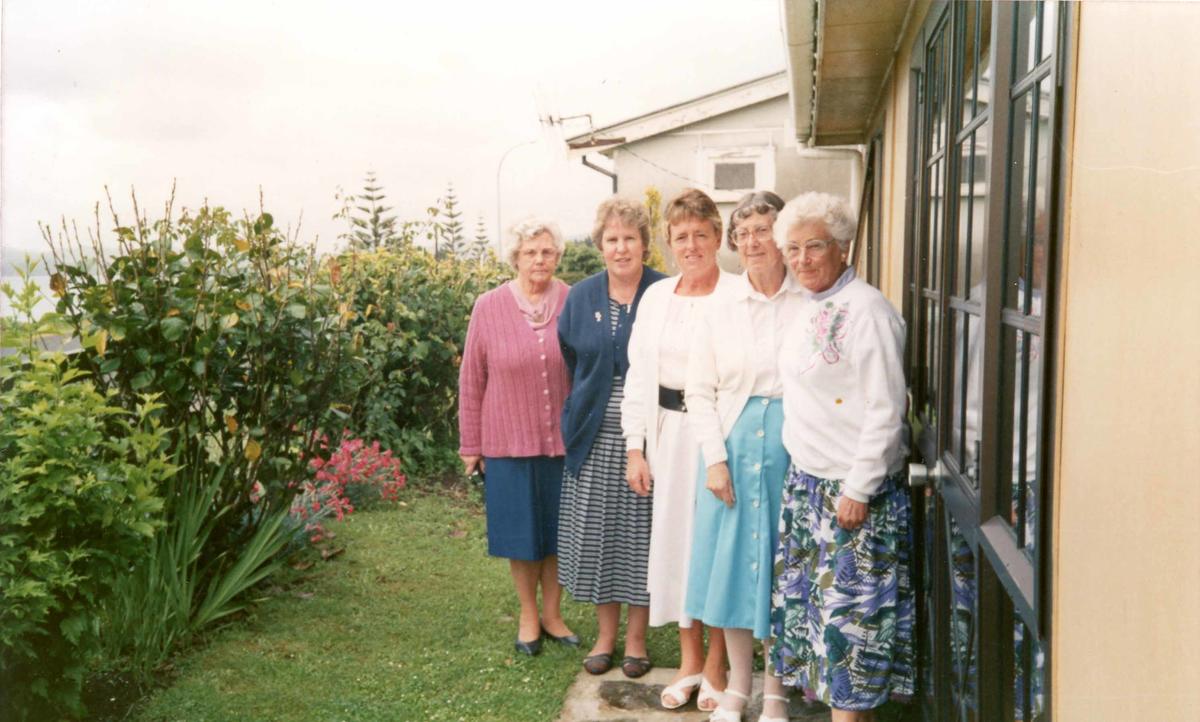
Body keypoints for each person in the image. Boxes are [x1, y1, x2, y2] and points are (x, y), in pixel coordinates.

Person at [769, 192, 914, 721]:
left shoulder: (867, 310)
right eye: (793, 249)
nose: (802, 259)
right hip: (809, 487)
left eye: (814, 246)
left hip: (853, 496)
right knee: (825, 638)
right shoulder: (808, 306)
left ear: (843, 246)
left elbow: (886, 408)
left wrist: (859, 487)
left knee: (850, 638)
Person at [683, 191, 800, 722]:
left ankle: (776, 691)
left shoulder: (807, 300)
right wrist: (715, 459)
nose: (753, 242)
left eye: (763, 230)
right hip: (731, 445)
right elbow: (698, 389)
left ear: (782, 235)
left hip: (792, 448)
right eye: (744, 233)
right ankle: (737, 687)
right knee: (731, 569)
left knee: (781, 567)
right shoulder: (720, 307)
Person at [622, 188, 738, 711]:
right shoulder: (656, 297)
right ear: (669, 243)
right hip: (667, 435)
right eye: (681, 236)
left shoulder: (737, 295)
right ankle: (689, 662)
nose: (691, 245)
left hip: (721, 437)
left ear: (718, 236)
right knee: (677, 547)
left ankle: (719, 665)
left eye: (700, 234)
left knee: (717, 546)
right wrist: (636, 447)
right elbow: (638, 377)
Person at [458, 216, 578, 656]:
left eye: (547, 251)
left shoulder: (573, 300)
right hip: (507, 442)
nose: (539, 259)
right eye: (530, 252)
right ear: (516, 258)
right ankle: (529, 615)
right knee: (521, 534)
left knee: (558, 533)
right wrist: (470, 444)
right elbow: (472, 378)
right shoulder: (488, 306)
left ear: (557, 255)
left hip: (564, 442)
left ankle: (553, 614)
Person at [556, 197, 666, 677]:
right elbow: (571, 355)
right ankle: (605, 638)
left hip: (653, 427)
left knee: (643, 534)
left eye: (630, 239)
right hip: (595, 429)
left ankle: (637, 642)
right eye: (612, 239)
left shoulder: (665, 290)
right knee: (602, 533)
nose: (621, 248)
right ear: (600, 245)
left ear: (644, 243)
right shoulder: (581, 296)